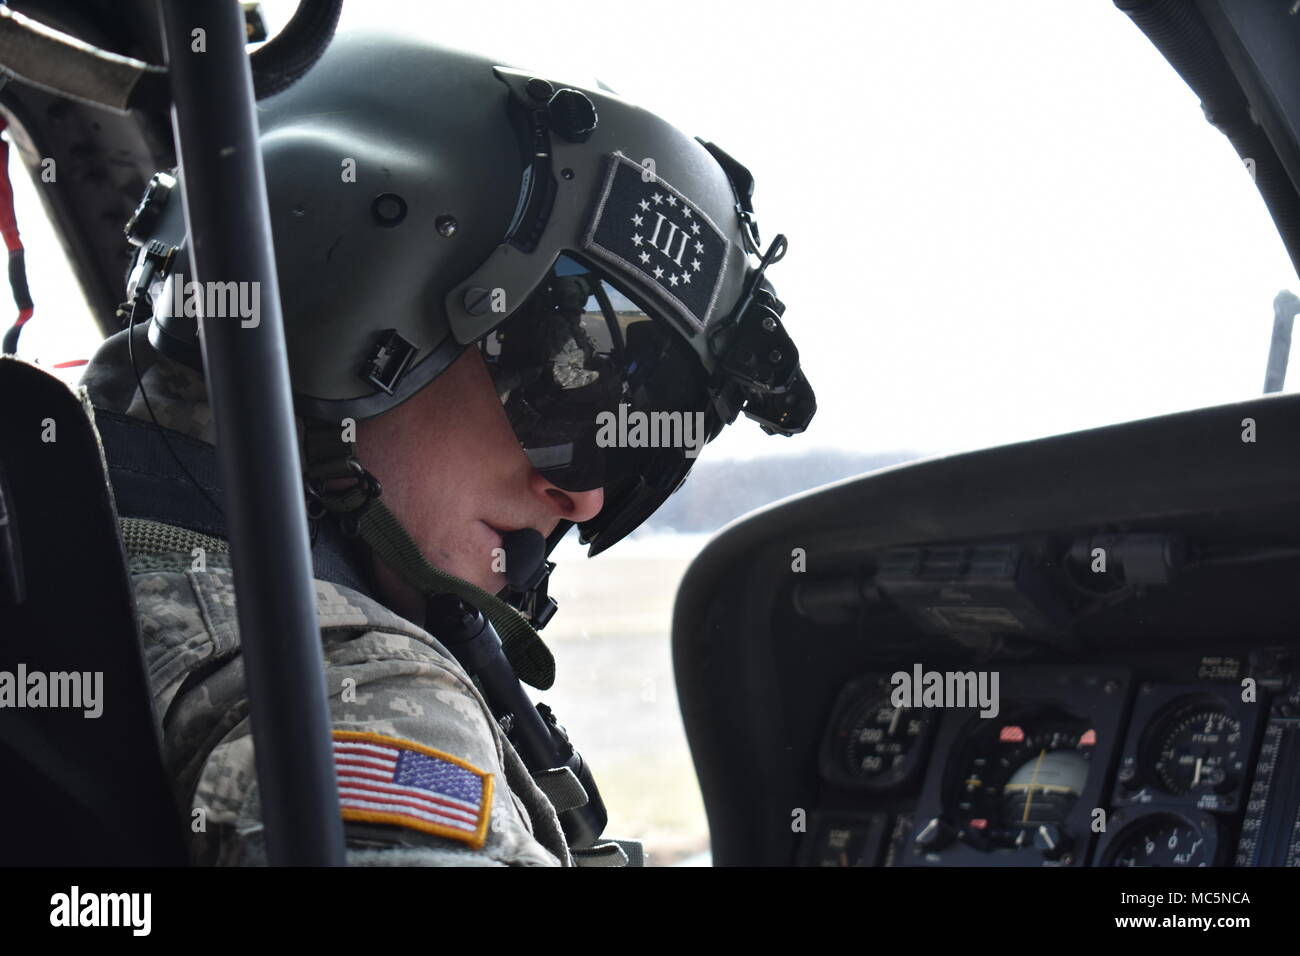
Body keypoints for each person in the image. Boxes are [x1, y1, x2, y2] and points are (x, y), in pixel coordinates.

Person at [82, 27, 815, 866]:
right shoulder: (351, 693)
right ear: (345, 279)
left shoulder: (66, 527)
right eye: (574, 392)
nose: (586, 500)